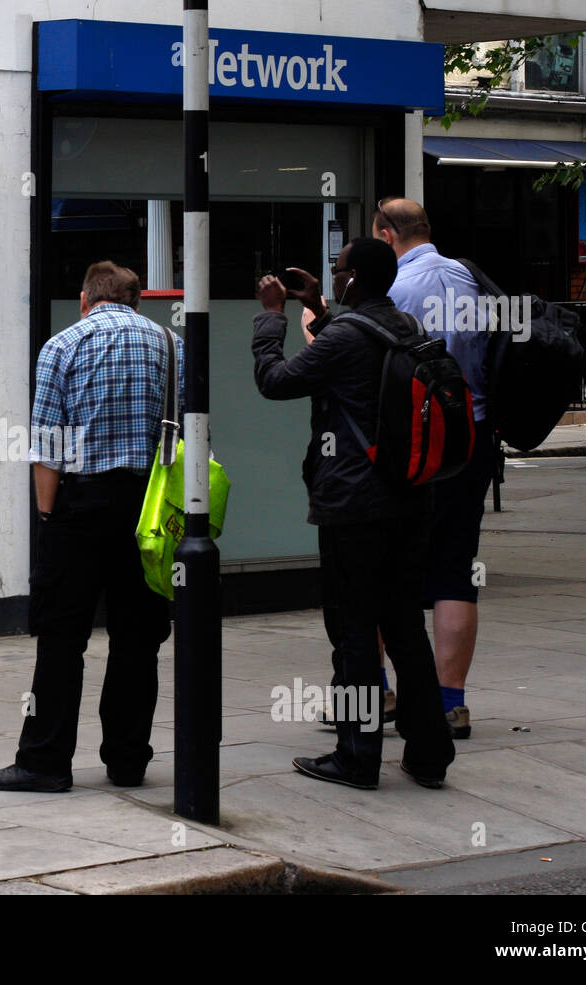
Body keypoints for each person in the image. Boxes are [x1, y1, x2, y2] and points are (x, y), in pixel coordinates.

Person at [252, 238, 454, 788]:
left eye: (339, 269)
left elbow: (275, 381)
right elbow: (352, 354)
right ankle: (429, 753)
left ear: (355, 279)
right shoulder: (407, 326)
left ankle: (357, 756)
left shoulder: (346, 336)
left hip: (353, 505)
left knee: (354, 630)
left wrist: (271, 318)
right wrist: (318, 306)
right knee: (405, 626)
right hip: (410, 500)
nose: (334, 274)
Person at [0, 260, 184, 792]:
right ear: (136, 300)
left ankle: (45, 761)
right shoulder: (172, 346)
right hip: (148, 507)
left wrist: (48, 517)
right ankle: (128, 759)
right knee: (138, 638)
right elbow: (187, 432)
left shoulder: (63, 345)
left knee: (62, 638)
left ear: (85, 299)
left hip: (80, 505)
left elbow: (48, 445)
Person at [373, 197, 491, 740]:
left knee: (379, 564)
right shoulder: (471, 279)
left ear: (386, 235)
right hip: (471, 438)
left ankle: (377, 693)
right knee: (455, 569)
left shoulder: (394, 289)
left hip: (413, 444)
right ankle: (450, 704)